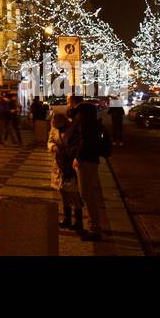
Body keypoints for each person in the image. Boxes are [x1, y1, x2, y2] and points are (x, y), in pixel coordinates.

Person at [65, 102, 109, 241]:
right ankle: (92, 226)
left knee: (86, 194)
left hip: (85, 161)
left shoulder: (86, 124)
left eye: (78, 111)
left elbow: (85, 141)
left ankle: (94, 229)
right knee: (87, 194)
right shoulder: (91, 122)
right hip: (88, 160)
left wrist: (77, 157)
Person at [47, 112, 82, 232]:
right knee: (62, 191)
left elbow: (76, 145)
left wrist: (67, 151)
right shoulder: (54, 129)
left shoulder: (72, 129)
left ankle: (78, 221)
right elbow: (50, 141)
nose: (56, 127)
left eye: (58, 125)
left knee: (73, 192)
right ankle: (67, 218)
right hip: (59, 162)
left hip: (69, 163)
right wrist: (53, 147)